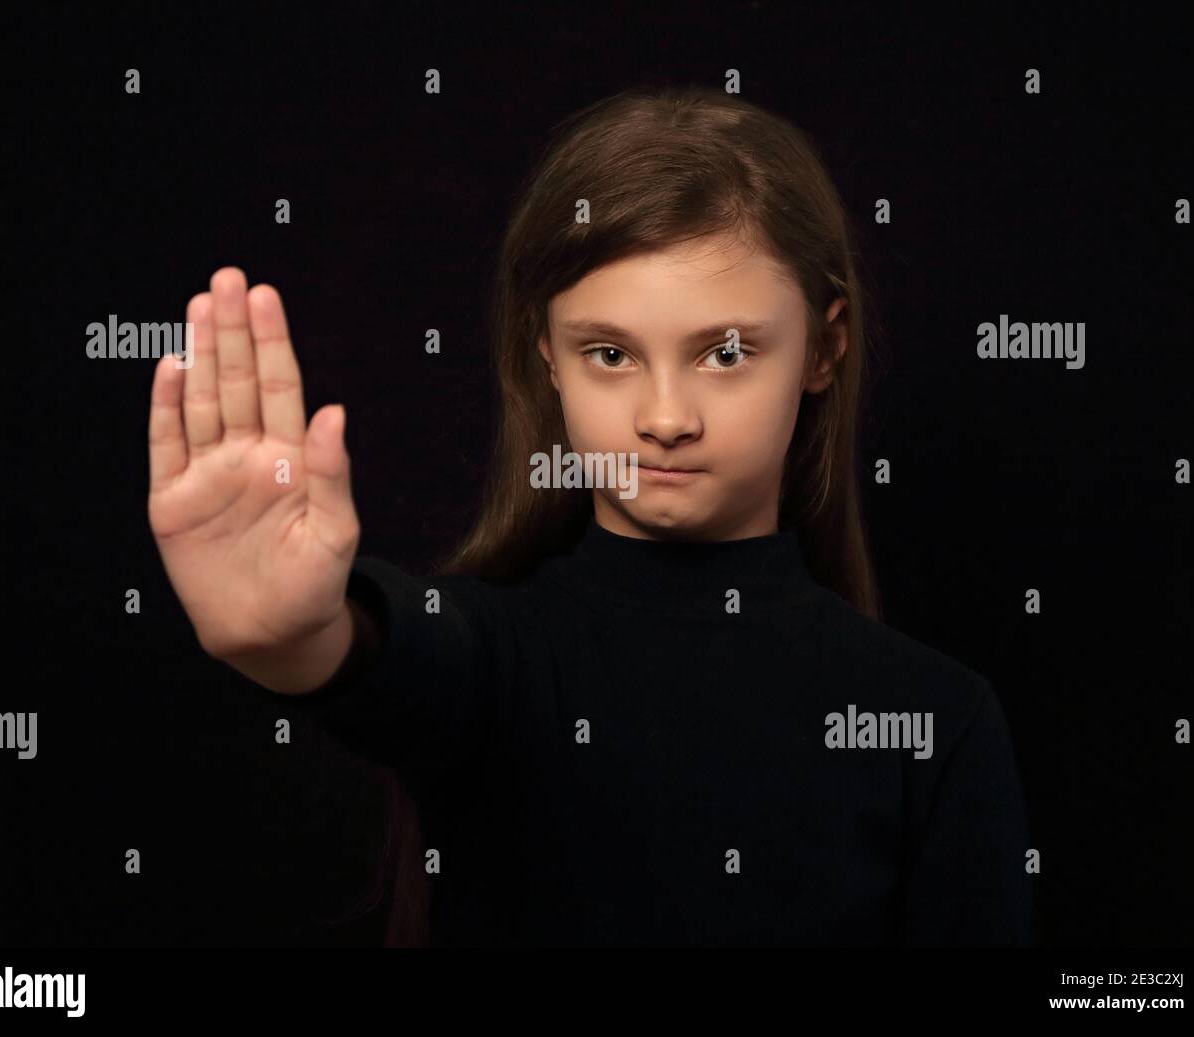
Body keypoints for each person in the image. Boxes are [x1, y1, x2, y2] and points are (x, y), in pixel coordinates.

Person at [147, 84, 1033, 947]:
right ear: (548, 354)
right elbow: (401, 653)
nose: (665, 416)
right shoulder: (495, 662)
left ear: (823, 347)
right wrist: (297, 638)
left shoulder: (936, 719)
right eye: (609, 353)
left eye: (725, 352)